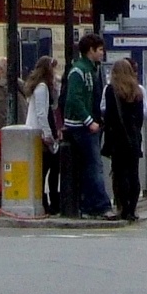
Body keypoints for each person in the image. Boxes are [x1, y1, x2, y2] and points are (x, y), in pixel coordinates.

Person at [62, 33, 111, 217]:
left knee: (90, 166)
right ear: (90, 50)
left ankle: (89, 205)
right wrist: (90, 122)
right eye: (99, 49)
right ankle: (101, 205)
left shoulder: (90, 70)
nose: (102, 53)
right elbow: (74, 99)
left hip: (86, 124)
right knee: (94, 165)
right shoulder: (79, 71)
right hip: (81, 126)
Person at [103, 55, 147, 222]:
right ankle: (132, 209)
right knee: (133, 173)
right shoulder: (137, 91)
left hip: (117, 138)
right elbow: (140, 116)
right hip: (134, 138)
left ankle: (122, 207)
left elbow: (110, 117)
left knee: (119, 174)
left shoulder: (111, 90)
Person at [24, 57, 61, 213]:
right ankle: (49, 202)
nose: (55, 72)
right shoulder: (42, 88)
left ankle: (47, 201)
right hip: (40, 133)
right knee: (49, 168)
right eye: (53, 68)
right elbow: (41, 113)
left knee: (46, 169)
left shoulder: (41, 87)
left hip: (37, 132)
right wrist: (48, 134)